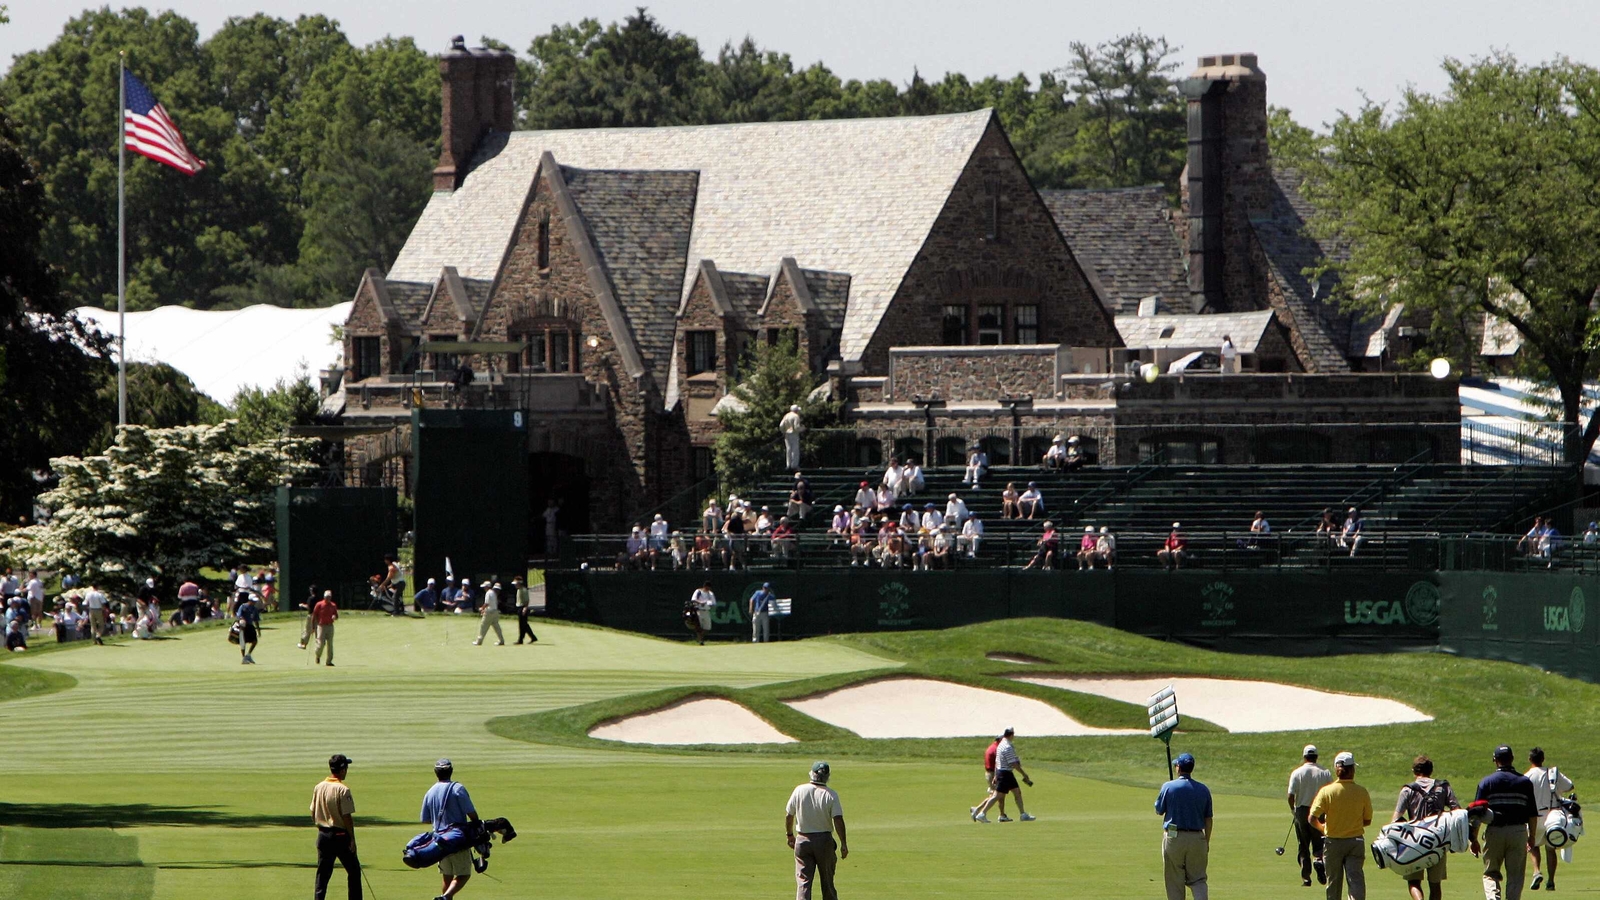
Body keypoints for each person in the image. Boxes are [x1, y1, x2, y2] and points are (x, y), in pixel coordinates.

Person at [1471, 745, 1538, 900]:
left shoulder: (1486, 782)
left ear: (1495, 761)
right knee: (1515, 875)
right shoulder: (1525, 782)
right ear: (1512, 759)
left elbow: (1477, 814)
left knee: (1490, 873)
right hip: (1518, 832)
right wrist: (1531, 836)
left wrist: (1474, 839)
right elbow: (1532, 813)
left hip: (1494, 831)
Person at [1392, 755, 1460, 900]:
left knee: (1414, 881)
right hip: (1438, 839)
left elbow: (1396, 819)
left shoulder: (1407, 790)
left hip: (1415, 840)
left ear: (1413, 770)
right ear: (1431, 770)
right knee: (1435, 884)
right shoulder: (1443, 787)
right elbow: (1457, 811)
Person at [1308, 751, 1372, 900]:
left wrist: (1323, 828)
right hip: (1355, 842)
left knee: (1334, 883)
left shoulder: (1327, 791)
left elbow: (1312, 818)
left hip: (1333, 842)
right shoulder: (1361, 792)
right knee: (1355, 879)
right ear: (1352, 770)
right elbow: (1367, 820)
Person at [785, 761, 848, 900]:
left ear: (812, 774)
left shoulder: (799, 790)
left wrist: (789, 835)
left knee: (803, 882)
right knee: (827, 882)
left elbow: (789, 815)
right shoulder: (831, 795)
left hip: (802, 840)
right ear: (827, 776)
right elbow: (838, 820)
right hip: (824, 841)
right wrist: (843, 843)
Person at [1155, 752, 1213, 900]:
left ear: (1178, 768)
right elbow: (1208, 819)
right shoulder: (1203, 789)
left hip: (1174, 837)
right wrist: (1206, 841)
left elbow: (1159, 810)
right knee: (1198, 880)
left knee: (1174, 880)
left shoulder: (1168, 786)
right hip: (1197, 838)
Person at [420, 758, 480, 900]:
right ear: (451, 771)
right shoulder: (457, 788)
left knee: (447, 877)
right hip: (457, 838)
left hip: (439, 841)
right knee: (464, 874)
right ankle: (446, 897)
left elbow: (426, 819)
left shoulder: (431, 791)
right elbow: (471, 813)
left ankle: (445, 897)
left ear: (436, 773)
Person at [312, 752, 362, 900]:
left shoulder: (319, 786)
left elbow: (312, 811)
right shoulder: (342, 789)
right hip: (340, 835)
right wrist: (352, 839)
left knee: (323, 875)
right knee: (354, 871)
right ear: (342, 770)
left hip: (322, 834)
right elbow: (347, 817)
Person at [1526, 747, 1574, 891]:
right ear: (1543, 759)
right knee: (1550, 848)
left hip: (1535, 816)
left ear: (1530, 760)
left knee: (1533, 845)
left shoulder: (1527, 776)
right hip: (1553, 816)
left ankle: (1536, 871)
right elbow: (1570, 786)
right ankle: (1551, 881)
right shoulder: (1552, 773)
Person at [1288, 744, 1334, 888]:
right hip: (1319, 811)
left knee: (1303, 844)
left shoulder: (1297, 772)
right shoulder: (1325, 772)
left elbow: (1290, 796)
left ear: (1304, 757)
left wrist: (1293, 810)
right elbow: (1331, 794)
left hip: (1301, 811)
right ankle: (1319, 862)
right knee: (1320, 843)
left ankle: (1306, 877)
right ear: (1316, 757)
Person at [974, 727, 1035, 821]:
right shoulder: (1007, 747)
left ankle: (1023, 814)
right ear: (1011, 735)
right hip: (1005, 774)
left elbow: (997, 761)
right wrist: (1024, 774)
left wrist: (995, 775)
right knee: (997, 796)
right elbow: (1013, 764)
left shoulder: (1001, 744)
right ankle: (982, 813)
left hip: (1003, 772)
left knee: (1017, 792)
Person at [969, 735, 1008, 823]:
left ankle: (1002, 815)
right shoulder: (996, 749)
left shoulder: (991, 747)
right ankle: (978, 810)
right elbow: (998, 763)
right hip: (993, 774)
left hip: (989, 773)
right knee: (997, 795)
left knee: (998, 796)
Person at [312, 590, 339, 666]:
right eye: (327, 597)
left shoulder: (333, 605)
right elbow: (314, 615)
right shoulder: (319, 604)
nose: (328, 598)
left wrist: (334, 617)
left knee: (330, 644)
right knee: (320, 644)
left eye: (329, 597)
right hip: (321, 626)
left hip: (330, 626)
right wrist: (313, 626)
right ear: (324, 597)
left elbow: (336, 615)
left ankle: (329, 661)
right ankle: (318, 655)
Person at [473, 582, 503, 646]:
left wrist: (482, 608)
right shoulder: (494, 593)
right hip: (495, 612)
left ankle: (479, 641)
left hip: (489, 612)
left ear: (487, 587)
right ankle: (501, 640)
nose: (484, 588)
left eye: (484, 587)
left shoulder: (488, 593)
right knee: (496, 627)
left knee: (483, 626)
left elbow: (487, 603)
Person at [236, 592, 261, 664]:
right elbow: (239, 615)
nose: (255, 602)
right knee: (243, 642)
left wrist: (258, 630)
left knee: (255, 641)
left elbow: (256, 620)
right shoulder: (243, 606)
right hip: (243, 627)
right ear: (250, 600)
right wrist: (242, 619)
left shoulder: (254, 609)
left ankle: (248, 655)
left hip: (250, 626)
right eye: (253, 601)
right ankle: (243, 658)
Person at [512, 577, 537, 644]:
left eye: (516, 583)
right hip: (519, 607)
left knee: (523, 625)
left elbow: (527, 601)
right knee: (523, 625)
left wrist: (525, 608)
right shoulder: (519, 590)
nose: (515, 585)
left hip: (523, 608)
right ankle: (525, 639)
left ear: (519, 583)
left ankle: (524, 639)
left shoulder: (524, 590)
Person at [780, 404, 805, 470]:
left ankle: (788, 464)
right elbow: (796, 427)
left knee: (788, 449)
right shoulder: (796, 416)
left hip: (787, 434)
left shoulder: (786, 415)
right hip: (794, 434)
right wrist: (803, 429)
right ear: (796, 410)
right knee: (795, 449)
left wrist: (783, 431)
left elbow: (781, 425)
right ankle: (794, 465)